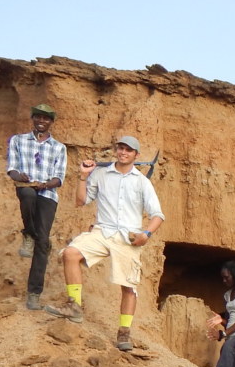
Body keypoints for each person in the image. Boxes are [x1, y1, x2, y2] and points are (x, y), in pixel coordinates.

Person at [44, 135, 164, 352]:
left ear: (136, 155)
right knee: (70, 253)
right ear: (116, 150)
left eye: (128, 150)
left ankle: (124, 332)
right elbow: (81, 201)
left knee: (129, 287)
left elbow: (157, 215)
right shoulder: (100, 173)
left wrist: (146, 233)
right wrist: (82, 176)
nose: (123, 153)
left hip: (128, 237)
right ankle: (74, 306)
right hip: (102, 231)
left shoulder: (142, 182)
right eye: (121, 148)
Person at [6, 104, 68, 311]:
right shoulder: (18, 140)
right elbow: (12, 168)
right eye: (38, 117)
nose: (41, 121)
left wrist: (47, 183)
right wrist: (19, 176)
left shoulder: (59, 147)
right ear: (32, 118)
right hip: (26, 187)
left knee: (43, 243)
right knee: (27, 193)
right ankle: (28, 233)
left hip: (48, 193)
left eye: (46, 118)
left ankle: (34, 293)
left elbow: (59, 177)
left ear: (51, 122)